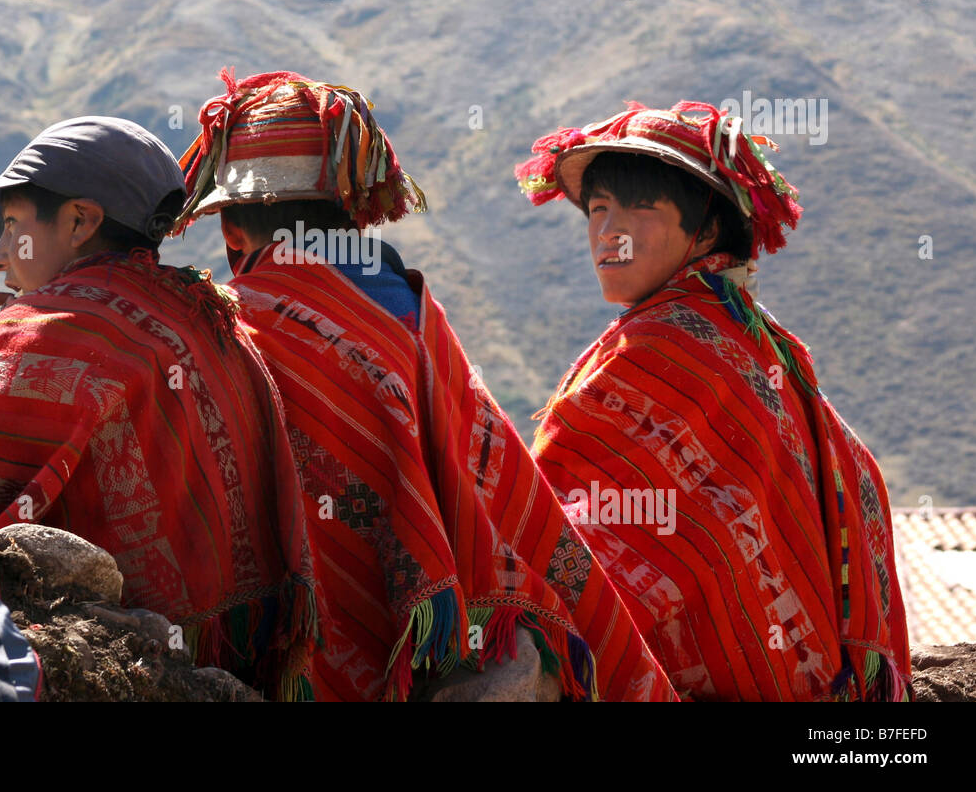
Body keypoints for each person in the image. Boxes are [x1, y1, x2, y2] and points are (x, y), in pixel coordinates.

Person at [174, 69, 677, 702]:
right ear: (354, 209)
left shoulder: (232, 326)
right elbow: (498, 485)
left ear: (232, 229)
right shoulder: (413, 311)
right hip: (471, 650)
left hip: (299, 663)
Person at [0, 116, 319, 699]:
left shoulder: (43, 335)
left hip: (115, 669)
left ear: (80, 220)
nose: (0, 258)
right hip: (236, 656)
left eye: (10, 226)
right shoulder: (208, 319)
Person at [515, 100, 911, 701]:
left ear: (704, 230)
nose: (608, 232)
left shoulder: (660, 349)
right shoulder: (748, 336)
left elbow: (562, 549)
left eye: (640, 206)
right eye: (598, 208)